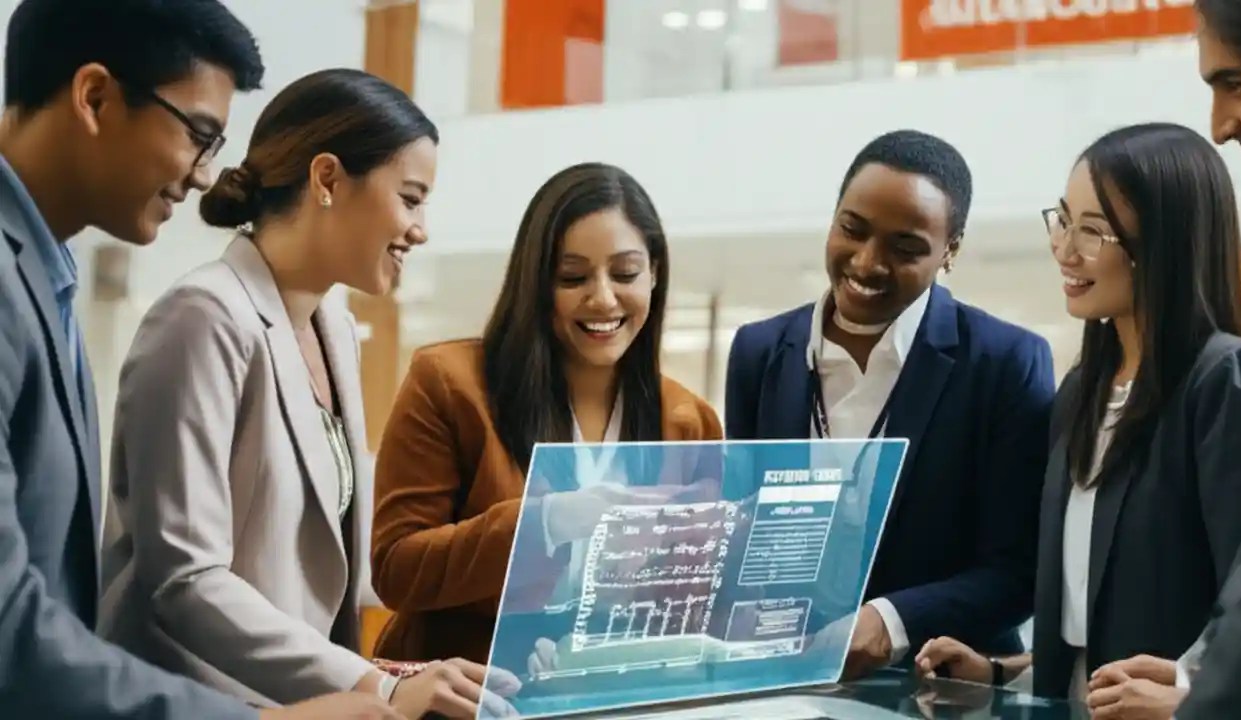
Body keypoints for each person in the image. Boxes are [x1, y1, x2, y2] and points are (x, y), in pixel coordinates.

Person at [0, 0, 402, 717]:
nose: (202, 176)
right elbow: (15, 627)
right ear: (94, 97)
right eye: (199, 136)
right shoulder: (192, 311)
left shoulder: (46, 274)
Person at [95, 68, 516, 718]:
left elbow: (326, 560)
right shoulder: (202, 318)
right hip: (193, 702)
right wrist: (377, 687)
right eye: (410, 198)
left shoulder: (336, 331)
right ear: (326, 179)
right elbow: (186, 579)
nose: (421, 228)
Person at [913, 123, 1241, 718]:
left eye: (1093, 231)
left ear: (1163, 245)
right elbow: (1090, 625)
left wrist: (1189, 694)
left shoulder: (1227, 380)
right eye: (1062, 219)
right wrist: (1003, 672)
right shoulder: (1082, 389)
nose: (1065, 248)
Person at [724, 129, 1055, 678]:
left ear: (950, 251)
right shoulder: (759, 353)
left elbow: (1020, 569)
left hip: (935, 689)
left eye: (905, 248)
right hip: (783, 678)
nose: (867, 263)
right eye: (852, 230)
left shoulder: (1006, 363)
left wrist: (891, 620)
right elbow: (745, 528)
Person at [369, 162, 724, 665]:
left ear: (655, 274)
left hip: (609, 693)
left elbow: (689, 599)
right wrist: (547, 522)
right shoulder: (449, 384)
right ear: (536, 281)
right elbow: (396, 570)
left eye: (625, 274)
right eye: (572, 276)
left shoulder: (690, 421)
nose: (602, 298)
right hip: (467, 692)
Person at [1135, 2, 1241, 719]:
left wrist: (1203, 697)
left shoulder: (1229, 376)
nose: (1221, 125)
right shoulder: (1080, 394)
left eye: (1237, 82)